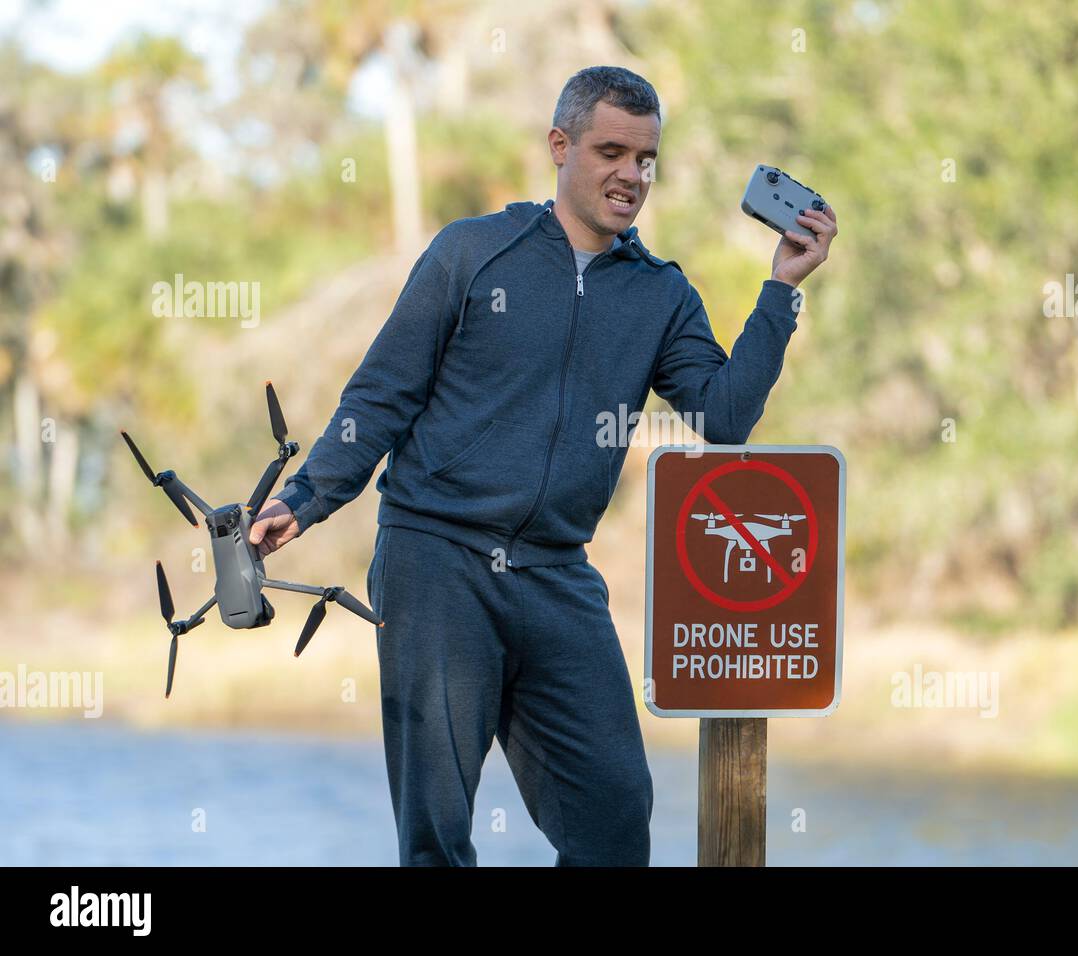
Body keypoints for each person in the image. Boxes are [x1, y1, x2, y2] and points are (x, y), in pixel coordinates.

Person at [248, 65, 837, 866]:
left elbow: (721, 419)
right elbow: (381, 395)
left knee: (616, 822)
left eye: (645, 159)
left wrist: (782, 292)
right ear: (560, 147)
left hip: (558, 576)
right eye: (611, 151)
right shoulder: (471, 253)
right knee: (437, 834)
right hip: (437, 559)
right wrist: (307, 497)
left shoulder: (660, 295)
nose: (631, 174)